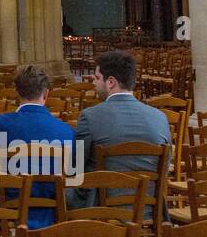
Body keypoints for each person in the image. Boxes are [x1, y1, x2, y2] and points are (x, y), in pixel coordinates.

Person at [0, 65, 76, 228]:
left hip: (9, 203)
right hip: (51, 205)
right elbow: (74, 174)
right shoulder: (66, 131)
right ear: (46, 93)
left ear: (17, 92)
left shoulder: (1, 123)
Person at [69, 49, 171, 210]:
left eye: (97, 78)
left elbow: (74, 166)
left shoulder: (90, 116)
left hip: (102, 208)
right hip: (147, 207)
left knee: (57, 196)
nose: (93, 82)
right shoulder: (160, 117)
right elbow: (164, 167)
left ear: (111, 82)